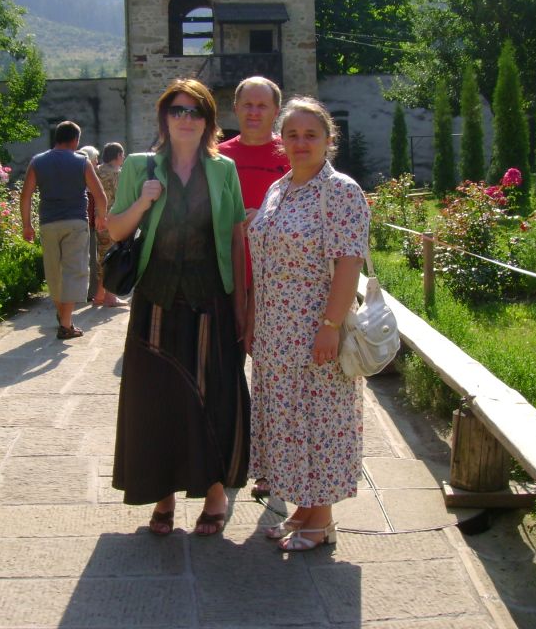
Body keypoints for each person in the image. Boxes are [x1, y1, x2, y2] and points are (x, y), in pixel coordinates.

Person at [108, 78, 249, 537]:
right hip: (157, 298)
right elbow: (115, 231)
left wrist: (243, 305)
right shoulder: (140, 166)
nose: (185, 119)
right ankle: (163, 493)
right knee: (157, 398)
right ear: (164, 118)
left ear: (209, 121)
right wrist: (144, 201)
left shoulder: (223, 168)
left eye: (195, 112)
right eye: (177, 110)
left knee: (217, 394)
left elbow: (234, 235)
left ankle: (214, 492)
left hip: (211, 295)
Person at [246, 96, 370, 552]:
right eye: (292, 134)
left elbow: (348, 264)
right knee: (288, 421)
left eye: (310, 135)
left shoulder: (340, 192)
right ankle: (304, 510)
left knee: (320, 422)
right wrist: (254, 321)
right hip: (276, 333)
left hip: (314, 329)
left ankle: (322, 521)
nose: (300, 143)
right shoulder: (280, 189)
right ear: (281, 141)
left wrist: (331, 325)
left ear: (328, 140)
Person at [218, 75, 290, 500]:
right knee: (225, 377)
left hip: (278, 288)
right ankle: (228, 460)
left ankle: (272, 467)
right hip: (226, 281)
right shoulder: (219, 156)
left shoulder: (292, 154)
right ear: (235, 108)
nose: (254, 112)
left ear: (275, 111)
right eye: (247, 104)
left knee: (273, 384)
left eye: (263, 105)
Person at [20, 122, 108, 340]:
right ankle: (66, 324)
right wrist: (101, 217)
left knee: (54, 272)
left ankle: (63, 317)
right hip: (76, 221)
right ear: (75, 140)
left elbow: (26, 195)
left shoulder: (37, 161)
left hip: (48, 222)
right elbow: (100, 194)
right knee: (74, 271)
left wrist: (26, 225)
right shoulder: (82, 161)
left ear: (56, 138)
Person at [93, 142, 127, 307]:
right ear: (118, 155)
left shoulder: (96, 171)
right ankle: (110, 297)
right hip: (113, 219)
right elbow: (122, 198)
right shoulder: (118, 174)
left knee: (102, 255)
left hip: (98, 218)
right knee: (113, 257)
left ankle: (100, 295)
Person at [79, 145, 101, 303]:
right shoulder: (90, 176)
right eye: (95, 160)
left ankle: (85, 292)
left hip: (83, 222)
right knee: (91, 259)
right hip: (88, 223)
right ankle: (89, 292)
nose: (97, 163)